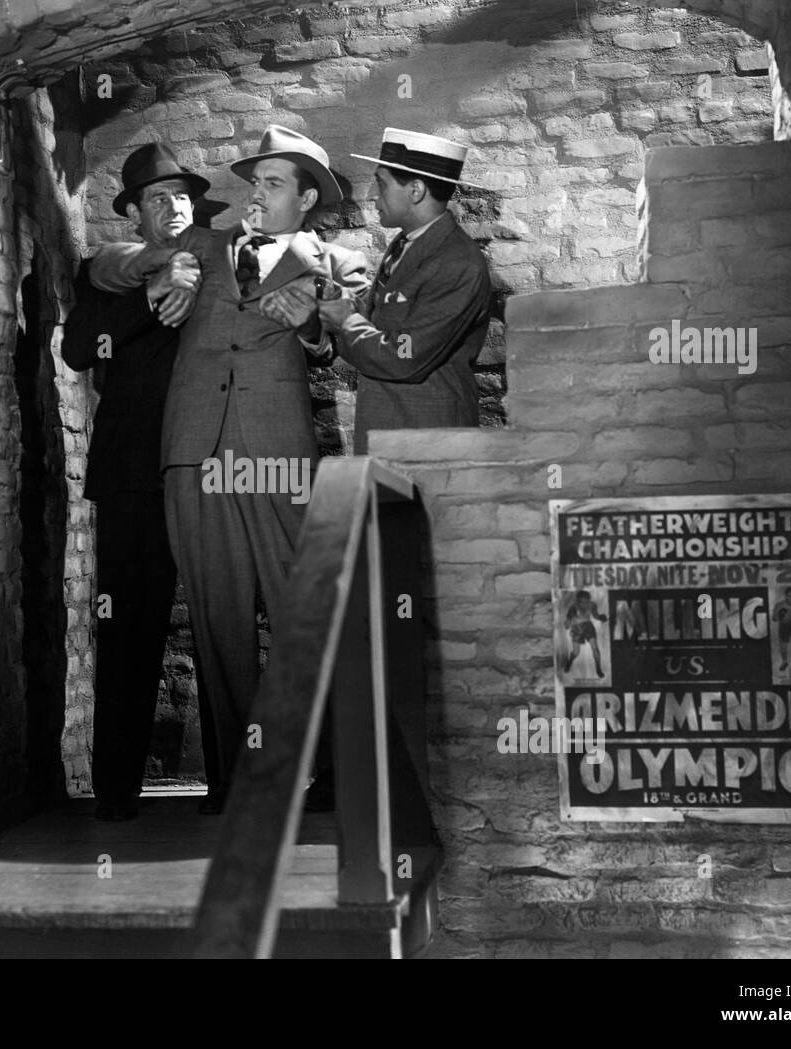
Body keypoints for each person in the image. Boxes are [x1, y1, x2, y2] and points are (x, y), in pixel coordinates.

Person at [88, 126, 369, 814]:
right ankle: (240, 780)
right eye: (253, 182)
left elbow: (344, 325)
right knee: (218, 622)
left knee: (301, 609)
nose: (255, 195)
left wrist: (312, 324)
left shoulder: (333, 258)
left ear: (307, 197)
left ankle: (330, 771)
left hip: (276, 455)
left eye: (273, 184)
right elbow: (102, 266)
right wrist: (161, 265)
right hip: (193, 452)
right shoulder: (202, 245)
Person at [61, 143, 212, 821]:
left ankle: (231, 791)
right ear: (135, 214)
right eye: (159, 198)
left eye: (182, 195)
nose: (174, 206)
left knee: (223, 629)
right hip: (130, 475)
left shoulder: (216, 265)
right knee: (127, 632)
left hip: (212, 468)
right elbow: (76, 349)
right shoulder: (107, 277)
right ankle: (117, 792)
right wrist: (152, 298)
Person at [311, 127, 493, 453]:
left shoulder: (457, 263)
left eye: (381, 184)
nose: (373, 196)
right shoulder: (406, 244)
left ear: (416, 191)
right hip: (389, 438)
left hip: (428, 445)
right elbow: (386, 325)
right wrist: (344, 303)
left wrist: (345, 322)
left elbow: (402, 356)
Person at [563, 590, 608, 678]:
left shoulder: (592, 605)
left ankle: (598, 668)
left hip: (588, 626)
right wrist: (568, 624)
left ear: (589, 600)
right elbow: (567, 621)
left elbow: (595, 615)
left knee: (595, 648)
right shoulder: (573, 607)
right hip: (576, 628)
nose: (584, 604)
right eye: (582, 602)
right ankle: (570, 661)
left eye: (586, 601)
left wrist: (601, 617)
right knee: (576, 652)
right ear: (578, 601)